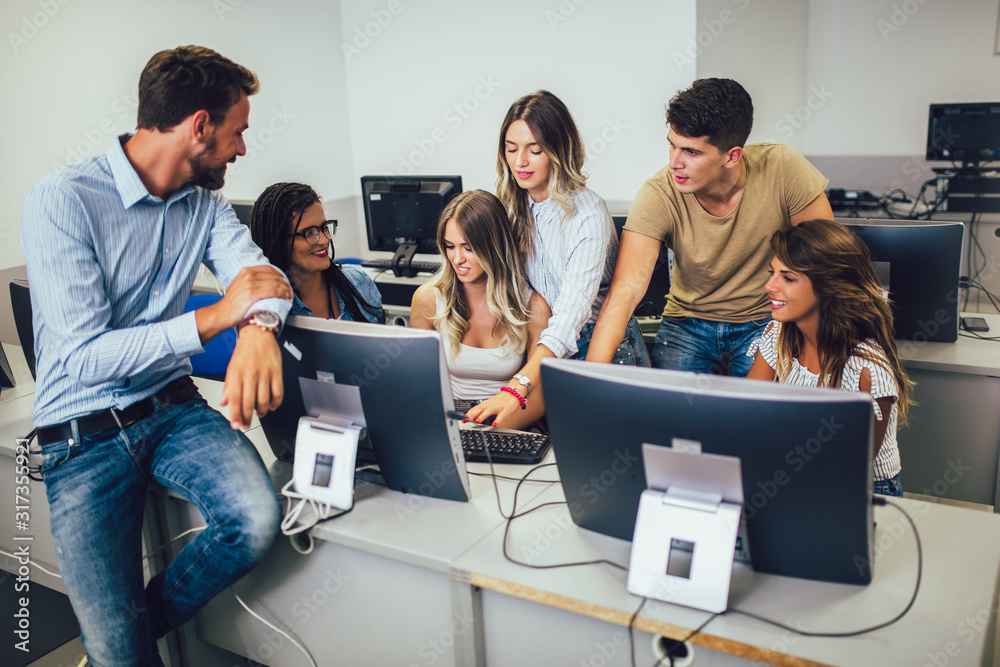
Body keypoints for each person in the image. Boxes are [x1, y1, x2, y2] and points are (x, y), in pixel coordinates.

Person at [20, 46, 292, 665]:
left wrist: (256, 331)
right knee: (119, 654)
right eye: (238, 132)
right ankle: (118, 648)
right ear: (199, 126)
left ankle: (123, 641)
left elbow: (262, 278)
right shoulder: (61, 199)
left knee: (253, 520)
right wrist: (221, 315)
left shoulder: (206, 205)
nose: (242, 149)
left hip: (172, 411)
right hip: (79, 438)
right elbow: (84, 356)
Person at [586, 78, 834, 376]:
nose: (675, 163)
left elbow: (824, 265)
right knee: (674, 420)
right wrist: (590, 379)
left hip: (766, 321)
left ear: (732, 156)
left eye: (692, 152)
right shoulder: (659, 192)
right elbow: (624, 292)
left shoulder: (783, 168)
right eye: (672, 145)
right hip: (687, 325)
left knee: (755, 419)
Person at [467, 90, 649, 428]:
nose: (520, 162)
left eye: (534, 150)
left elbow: (568, 320)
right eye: (511, 149)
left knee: (608, 458)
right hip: (549, 347)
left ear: (558, 150)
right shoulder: (516, 205)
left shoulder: (587, 216)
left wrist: (519, 385)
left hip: (604, 349)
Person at [746, 220, 914, 496]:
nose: (769, 286)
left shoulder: (866, 368)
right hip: (797, 472)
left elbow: (847, 467)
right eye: (772, 273)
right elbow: (747, 408)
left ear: (828, 286)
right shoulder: (779, 333)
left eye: (787, 278)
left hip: (864, 487)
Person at [410, 190, 551, 431]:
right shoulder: (427, 299)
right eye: (450, 246)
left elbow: (539, 396)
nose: (457, 259)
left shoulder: (533, 306)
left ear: (494, 246)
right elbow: (420, 384)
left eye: (468, 247)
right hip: (448, 421)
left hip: (507, 421)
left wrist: (491, 430)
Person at [249, 182, 387, 323]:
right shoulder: (265, 306)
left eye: (324, 227)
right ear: (278, 242)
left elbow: (380, 342)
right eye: (309, 233)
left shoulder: (359, 282)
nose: (324, 239)